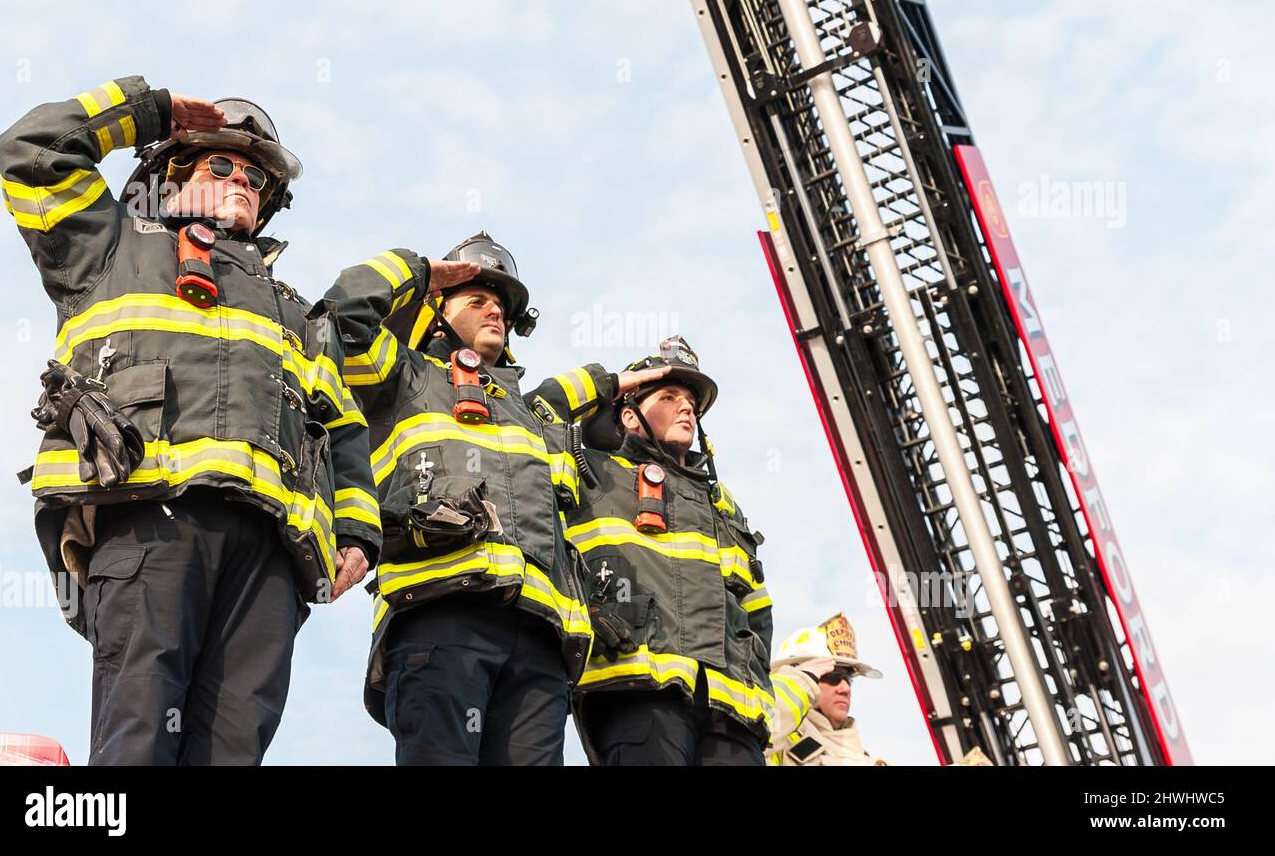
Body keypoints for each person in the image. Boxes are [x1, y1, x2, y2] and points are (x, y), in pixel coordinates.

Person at [0, 77, 380, 764]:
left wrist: (354, 527)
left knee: (233, 748)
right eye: (222, 163)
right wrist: (151, 110)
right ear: (167, 179)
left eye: (259, 176)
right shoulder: (110, 244)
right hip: (150, 519)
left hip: (269, 555)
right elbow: (34, 149)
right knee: (139, 733)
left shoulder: (293, 312)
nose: (245, 180)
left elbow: (342, 424)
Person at [324, 231, 667, 765]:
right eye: (477, 300)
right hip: (441, 614)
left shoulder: (525, 412)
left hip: (539, 639)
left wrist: (606, 382)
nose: (494, 313)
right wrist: (418, 272)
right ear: (436, 311)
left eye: (502, 307)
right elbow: (339, 318)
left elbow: (554, 401)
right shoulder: (402, 375)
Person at [555, 335, 775, 765]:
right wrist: (609, 384)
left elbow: (756, 609)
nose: (687, 407)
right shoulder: (592, 474)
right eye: (669, 396)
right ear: (630, 416)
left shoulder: (721, 505)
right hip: (637, 692)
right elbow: (527, 417)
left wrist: (755, 680)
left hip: (731, 709)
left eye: (692, 400)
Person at [768, 611, 994, 765]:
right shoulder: (779, 738)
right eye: (834, 677)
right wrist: (799, 682)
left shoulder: (855, 752)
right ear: (798, 674)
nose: (845, 688)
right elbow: (760, 725)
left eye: (849, 679)